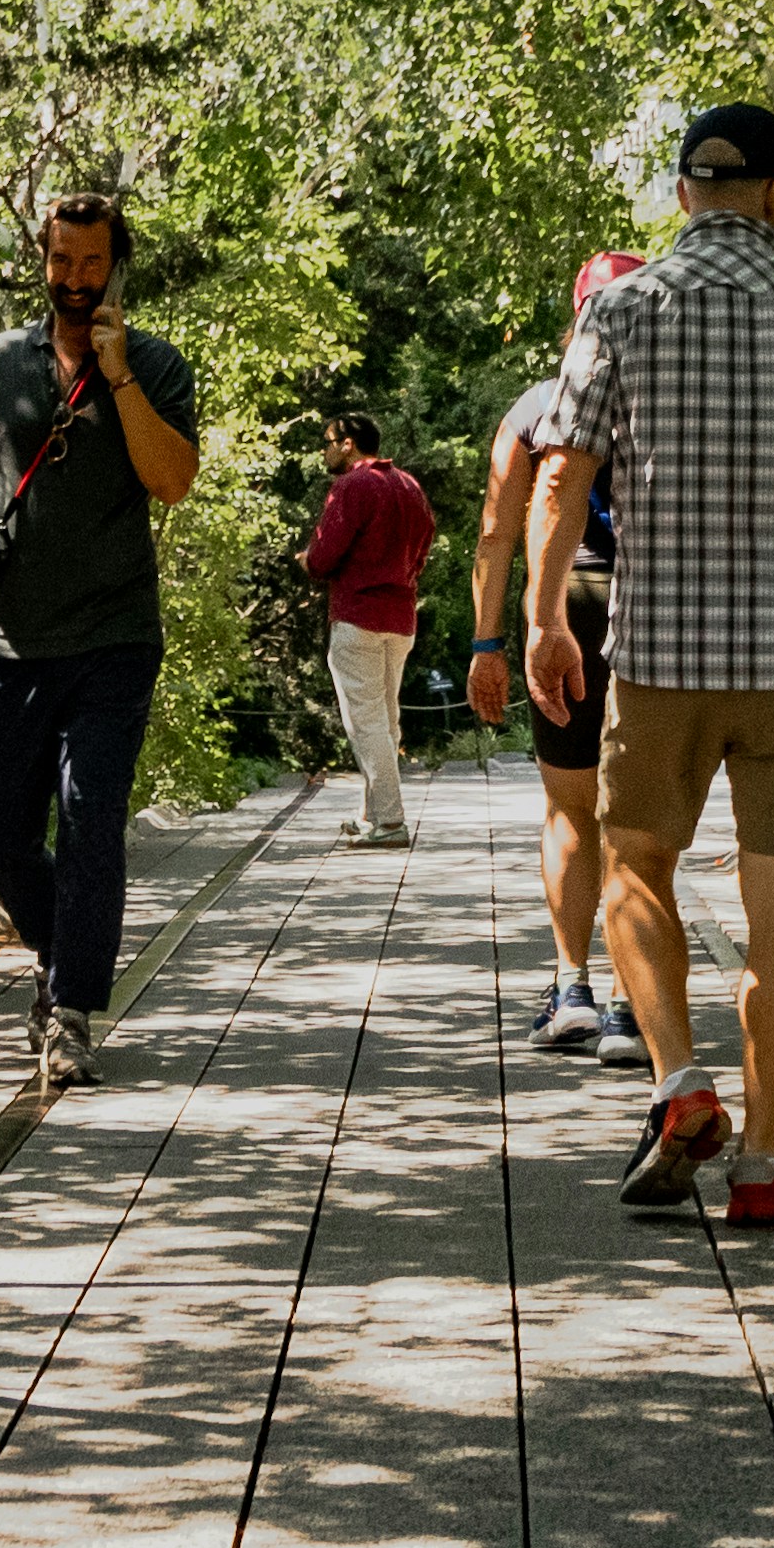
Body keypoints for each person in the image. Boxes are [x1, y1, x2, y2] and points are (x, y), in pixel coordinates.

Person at [524, 108, 774, 1225]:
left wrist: (548, 617)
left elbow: (559, 477)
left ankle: (678, 1084)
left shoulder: (621, 307)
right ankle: (759, 1158)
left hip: (657, 653)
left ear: (685, 191)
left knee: (633, 866)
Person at [0, 198, 201, 1089]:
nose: (72, 279)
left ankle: (67, 1010)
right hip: (11, 640)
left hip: (115, 637)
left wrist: (118, 375)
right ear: (44, 259)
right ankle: (67, 949)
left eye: (90, 263)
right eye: (60, 260)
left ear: (115, 268)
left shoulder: (157, 365)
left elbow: (171, 481)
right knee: (0, 827)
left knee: (92, 816)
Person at [467, 254, 647, 1062]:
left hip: (567, 602)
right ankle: (628, 1005)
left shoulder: (537, 407)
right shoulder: (674, 400)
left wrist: (488, 644)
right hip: (654, 616)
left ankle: (571, 985)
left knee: (571, 811)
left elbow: (497, 535)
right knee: (638, 821)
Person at [296, 413, 441, 845]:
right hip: (400, 617)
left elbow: (324, 557)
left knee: (365, 723)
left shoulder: (352, 485)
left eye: (328, 442)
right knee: (386, 718)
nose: (324, 450)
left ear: (348, 444)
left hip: (358, 614)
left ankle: (391, 822)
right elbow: (425, 542)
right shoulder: (409, 486)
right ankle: (373, 813)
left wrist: (307, 560)